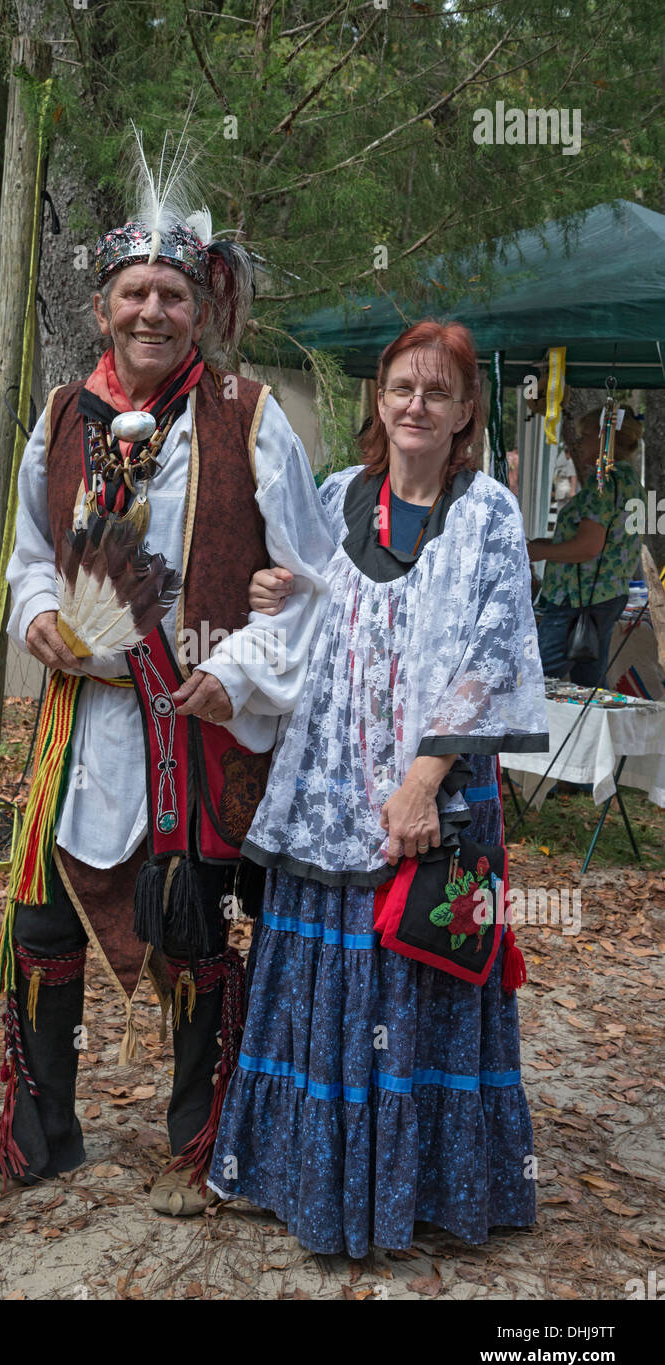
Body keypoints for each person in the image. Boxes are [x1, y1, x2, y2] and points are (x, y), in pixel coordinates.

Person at [0, 141, 334, 1215]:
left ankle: (202, 1140)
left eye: (172, 292)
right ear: (107, 306)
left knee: (193, 930)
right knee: (38, 926)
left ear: (203, 307)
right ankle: (42, 1134)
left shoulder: (251, 418)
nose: (152, 311)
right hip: (82, 724)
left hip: (195, 723)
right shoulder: (62, 416)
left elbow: (312, 581)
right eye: (134, 293)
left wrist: (245, 665)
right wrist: (36, 617)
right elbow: (28, 551)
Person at [207, 320, 550, 1257]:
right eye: (401, 387)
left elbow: (491, 657)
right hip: (325, 795)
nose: (415, 405)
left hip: (426, 794)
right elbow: (303, 609)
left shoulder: (486, 513)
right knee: (325, 981)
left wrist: (421, 785)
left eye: (437, 393)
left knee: (411, 977)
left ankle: (420, 1193)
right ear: (379, 399)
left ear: (466, 411)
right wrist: (274, 591)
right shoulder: (330, 497)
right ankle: (302, 1177)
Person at [527, 407, 644, 689]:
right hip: (606, 595)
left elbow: (588, 547)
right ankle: (589, 732)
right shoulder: (629, 481)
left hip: (579, 599)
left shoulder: (603, 483)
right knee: (588, 683)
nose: (577, 444)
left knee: (541, 681)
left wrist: (539, 552)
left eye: (584, 436)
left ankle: (537, 734)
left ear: (606, 440)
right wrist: (543, 545)